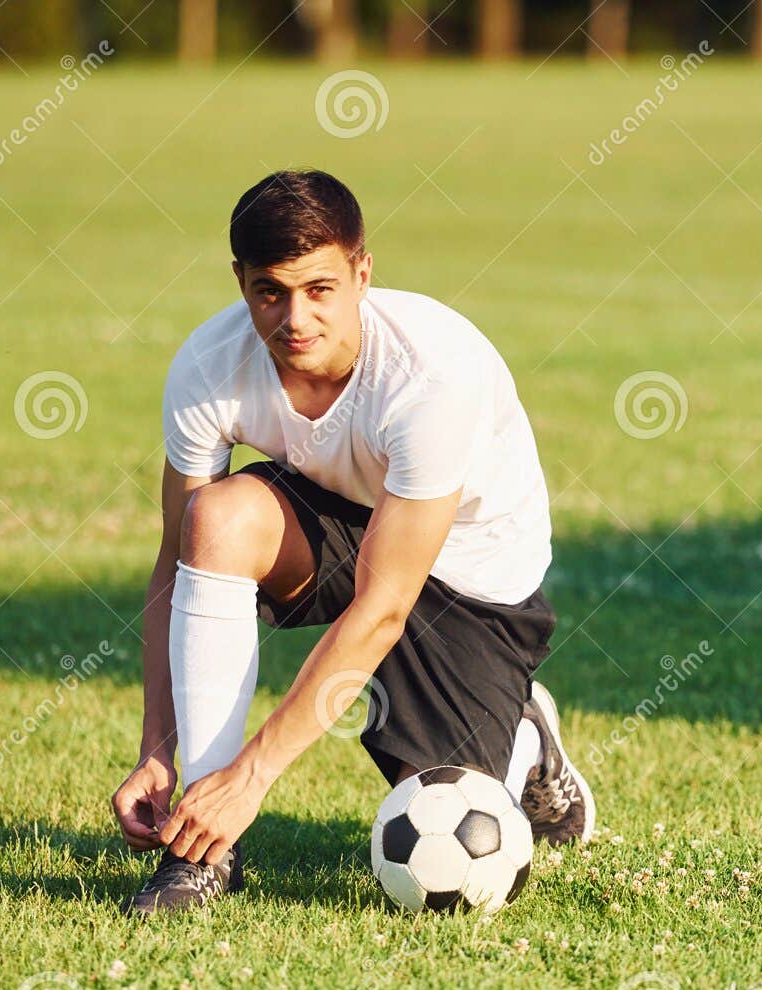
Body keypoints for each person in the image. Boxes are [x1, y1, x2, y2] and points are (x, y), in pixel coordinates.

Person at [111, 169, 597, 916]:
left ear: (362, 273)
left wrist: (257, 772)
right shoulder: (209, 367)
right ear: (239, 280)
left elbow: (385, 605)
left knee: (452, 803)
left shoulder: (430, 376)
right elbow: (172, 573)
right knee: (215, 519)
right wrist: (158, 747)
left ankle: (527, 741)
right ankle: (203, 852)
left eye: (320, 289)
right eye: (269, 291)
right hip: (345, 526)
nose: (295, 318)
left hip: (467, 578)